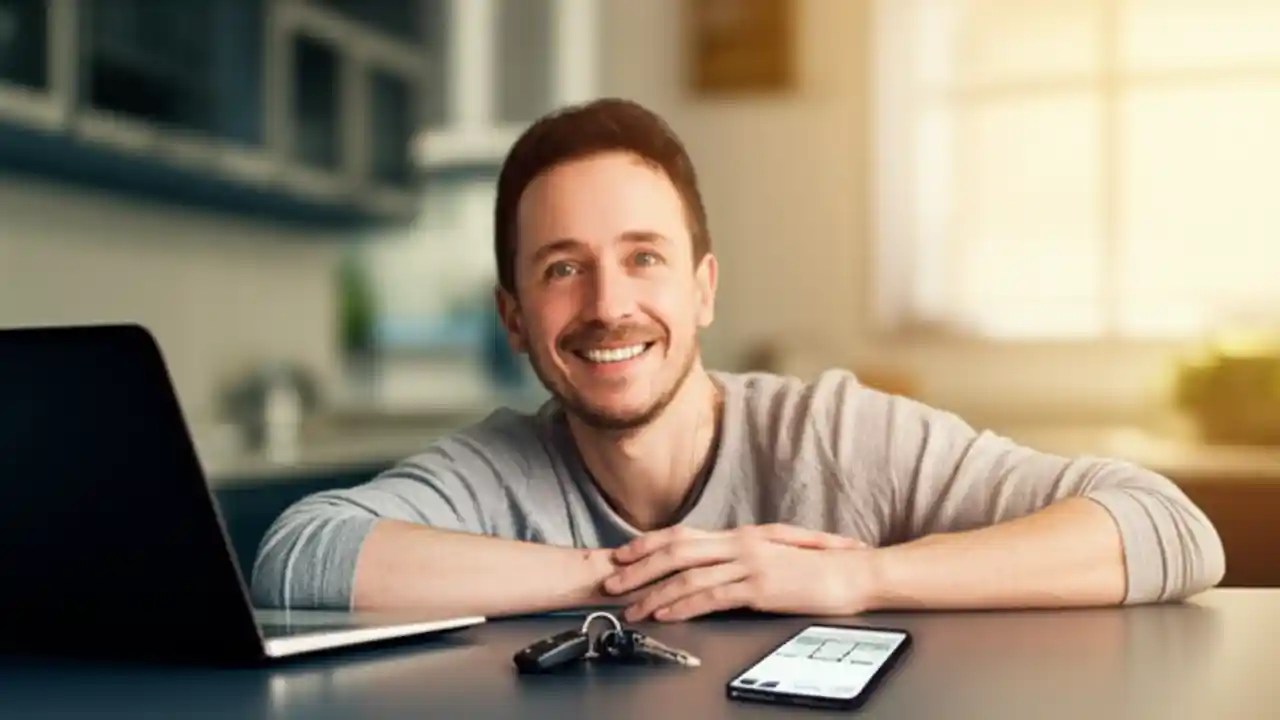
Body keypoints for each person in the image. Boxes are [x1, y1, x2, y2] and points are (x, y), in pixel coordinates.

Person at [252, 99, 1224, 623]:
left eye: (643, 259)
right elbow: (299, 555)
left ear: (704, 288)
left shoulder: (835, 435)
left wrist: (860, 580)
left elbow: (1167, 529)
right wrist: (629, 576)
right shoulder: (496, 467)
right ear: (513, 317)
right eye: (562, 269)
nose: (606, 306)